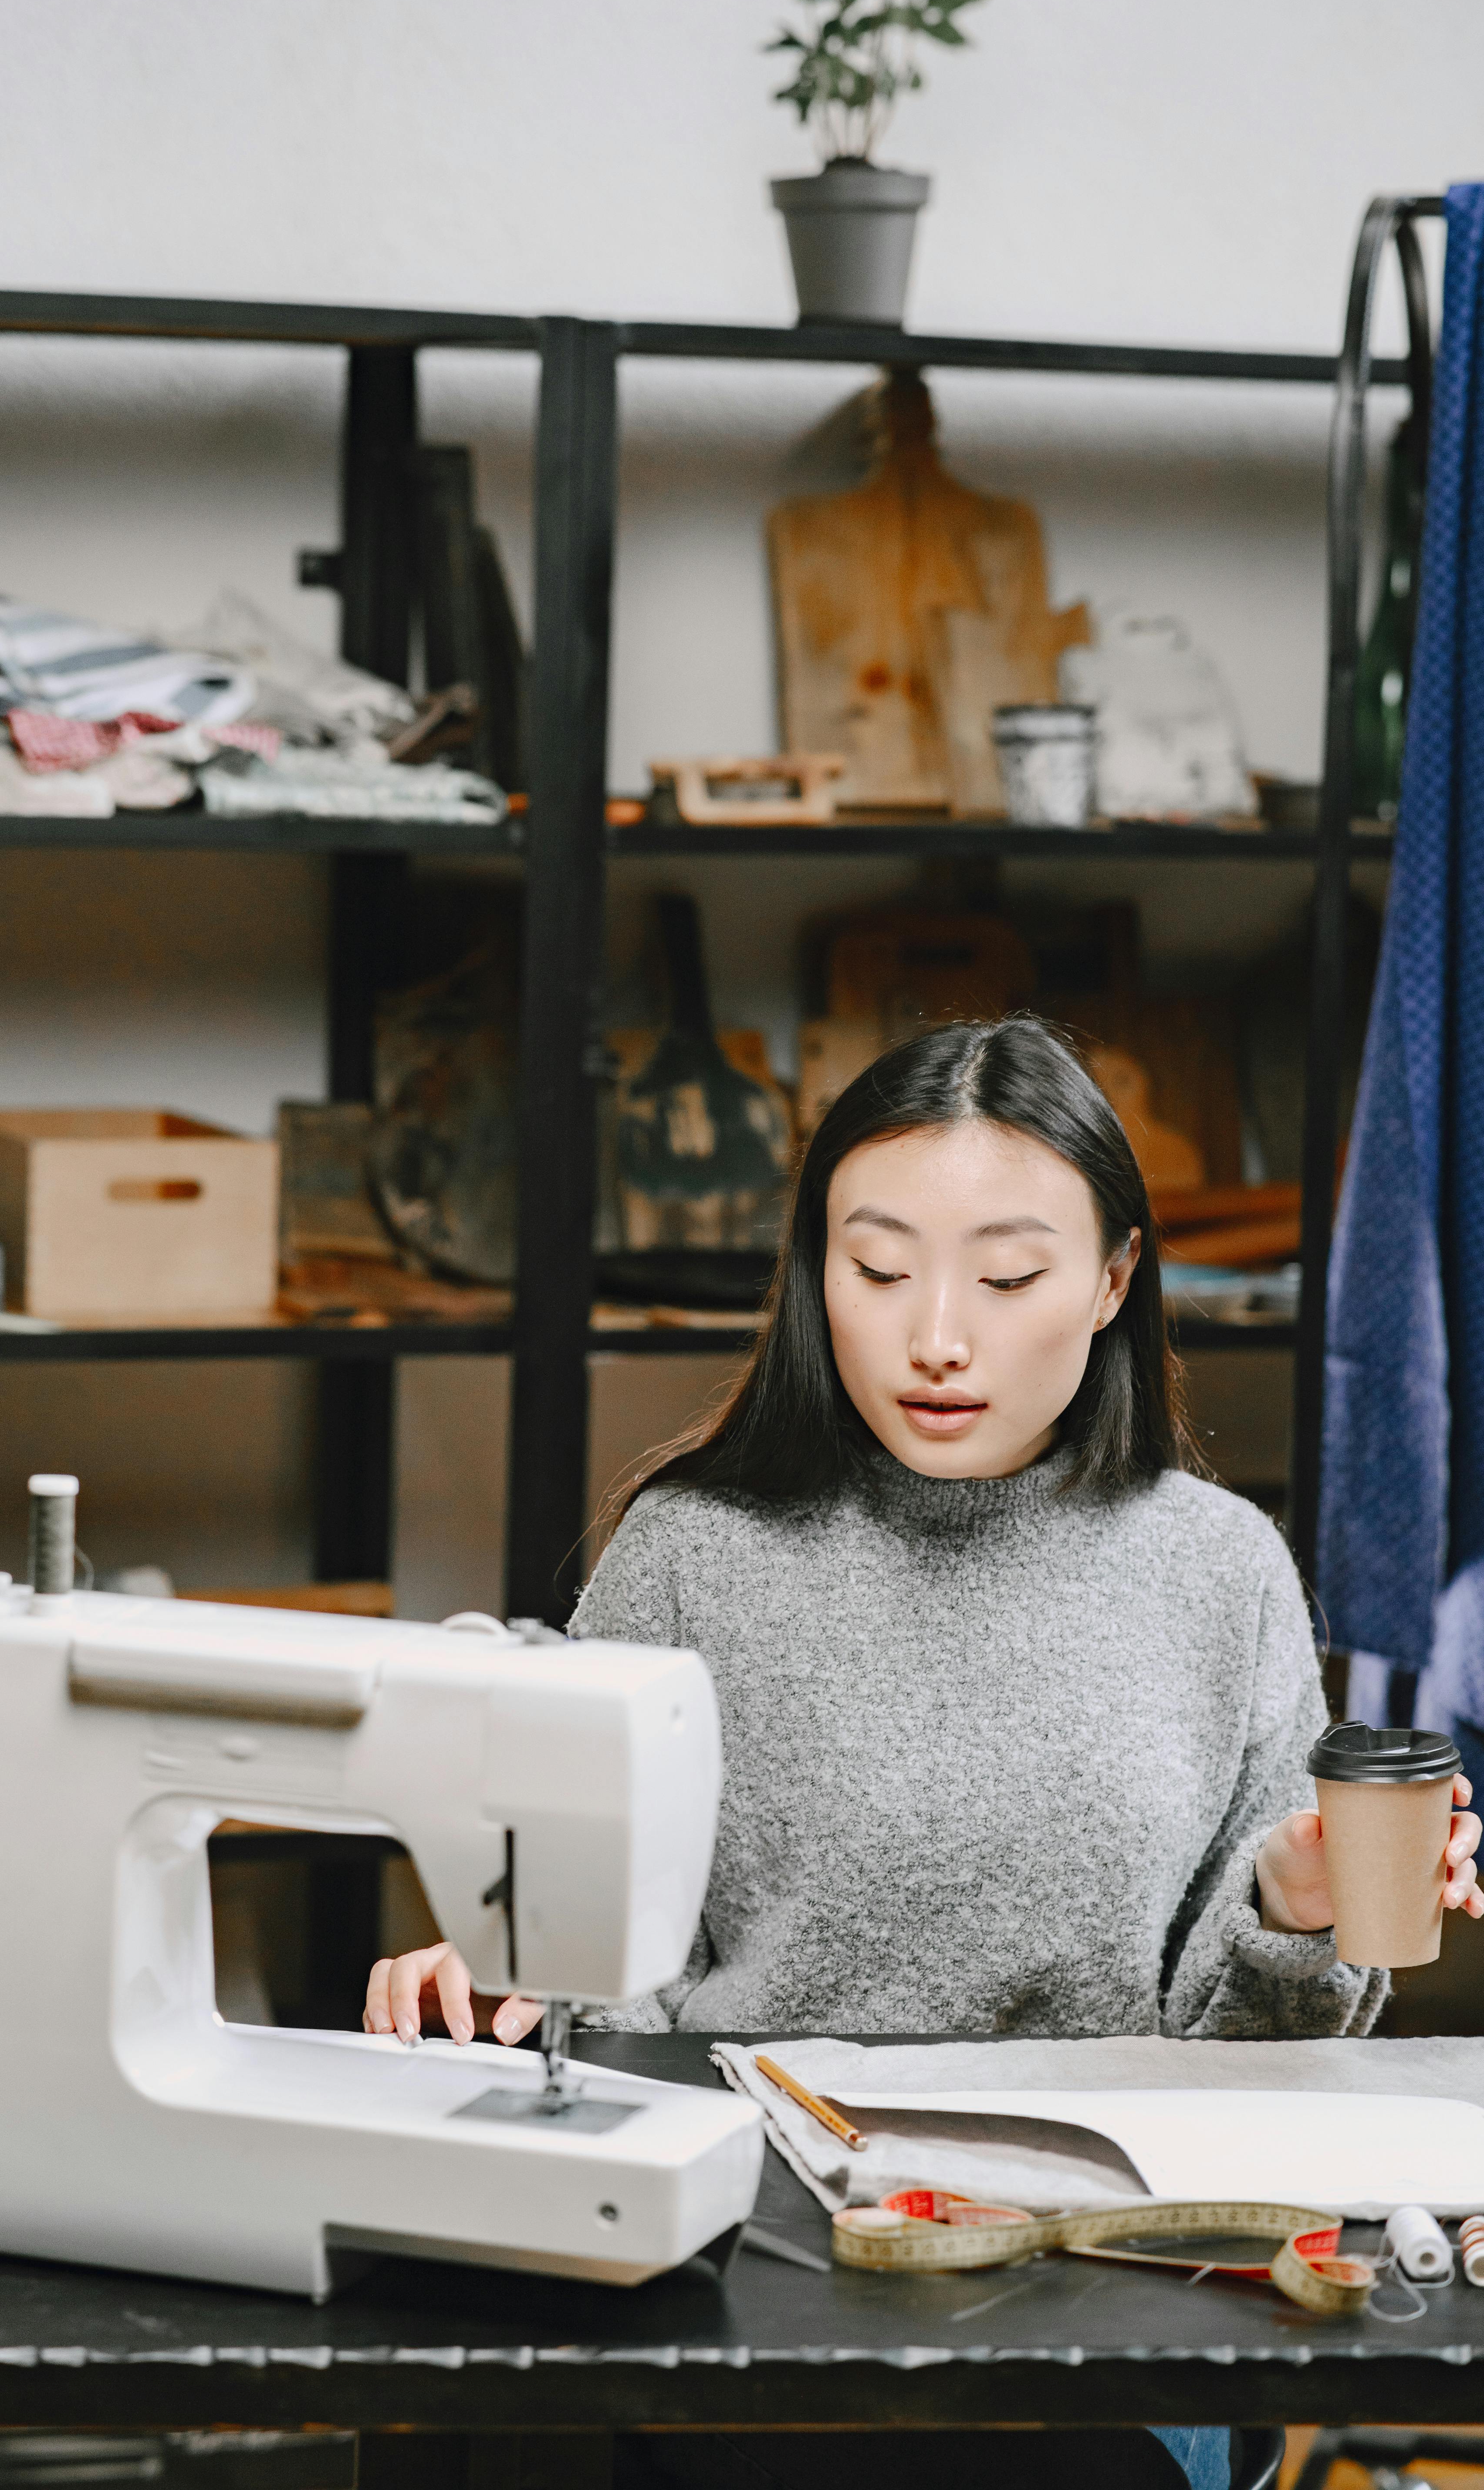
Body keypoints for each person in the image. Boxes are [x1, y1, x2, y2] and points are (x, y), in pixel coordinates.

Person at [363, 1017, 1483, 2490]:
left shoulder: (1220, 1571)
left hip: (1105, 2295)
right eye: (877, 1270)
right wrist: (513, 1971)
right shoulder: (696, 1551)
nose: (936, 1334)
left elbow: (1254, 2084)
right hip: (746, 2261)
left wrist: (1290, 1906)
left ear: (1113, 1281)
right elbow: (601, 1943)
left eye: (1009, 1277)